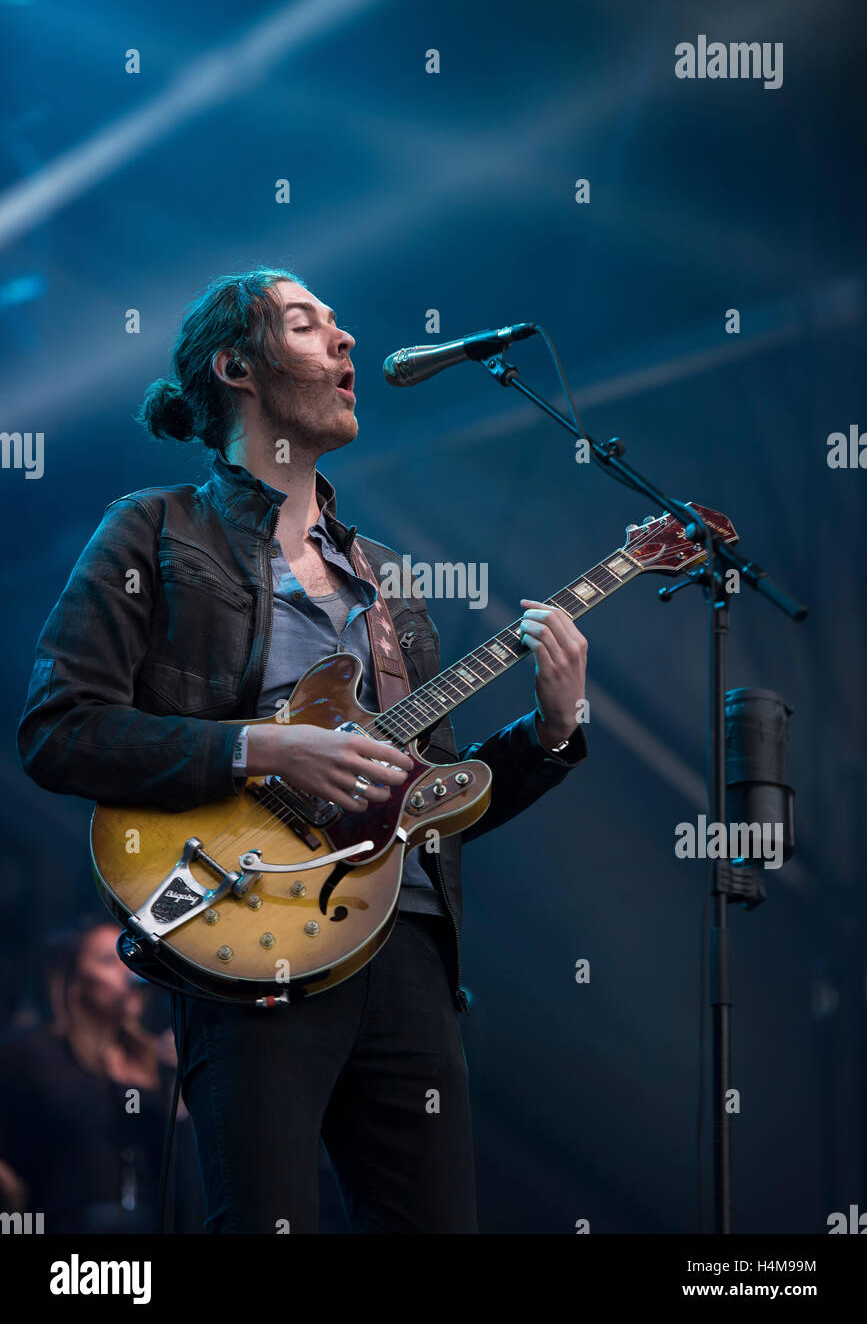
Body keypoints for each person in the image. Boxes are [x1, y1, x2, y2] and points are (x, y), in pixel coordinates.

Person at [17, 265, 589, 1233]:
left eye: (337, 324)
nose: (346, 340)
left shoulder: (388, 586)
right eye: (307, 323)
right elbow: (57, 729)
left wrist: (552, 732)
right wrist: (263, 749)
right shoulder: (154, 532)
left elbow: (434, 799)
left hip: (406, 942)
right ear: (238, 366)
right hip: (251, 924)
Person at [0, 918, 201, 1232]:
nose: (128, 972)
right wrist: (14, 1213)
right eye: (109, 961)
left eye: (131, 958)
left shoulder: (156, 1061)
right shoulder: (35, 1054)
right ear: (75, 978)